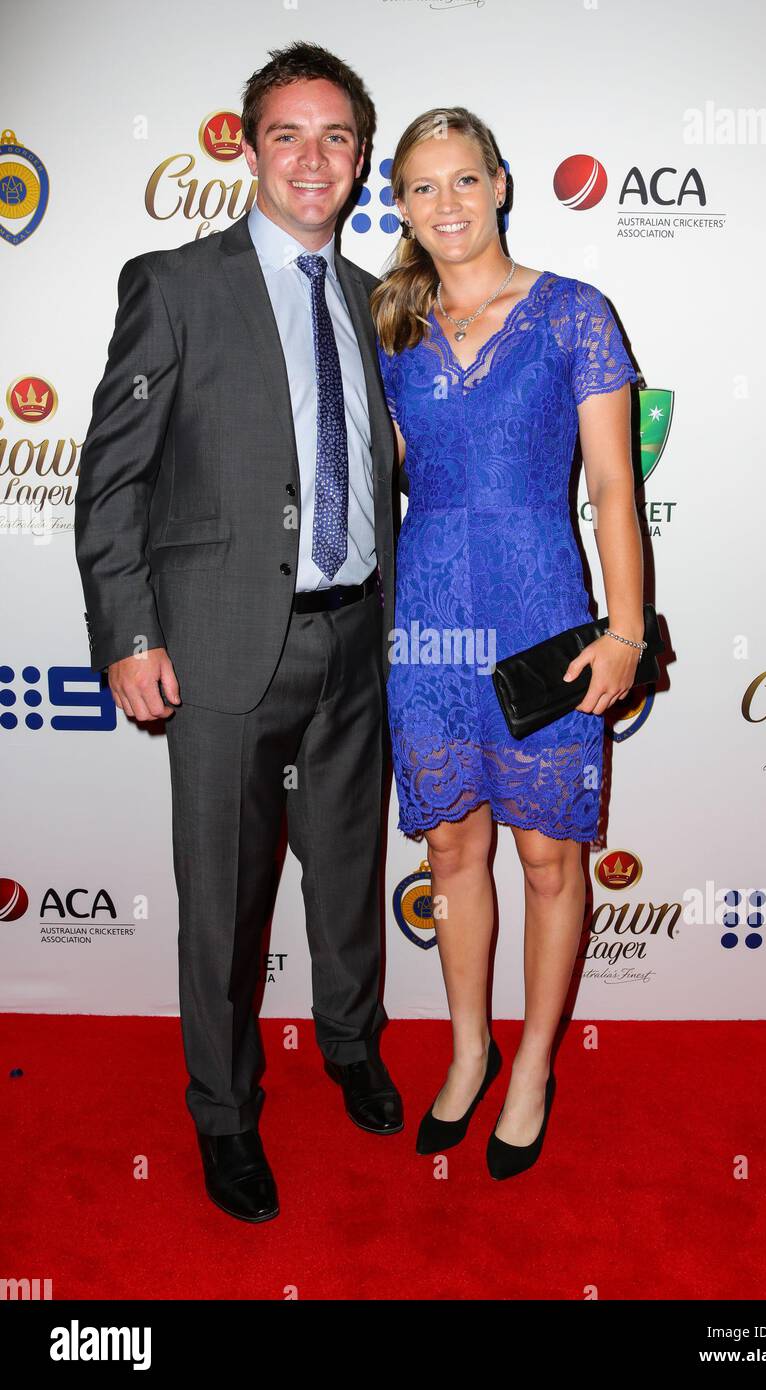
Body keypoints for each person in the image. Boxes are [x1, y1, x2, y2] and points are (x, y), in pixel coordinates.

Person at [73, 42, 406, 1224]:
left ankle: (353, 1044)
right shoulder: (172, 283)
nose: (311, 158)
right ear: (247, 144)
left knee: (350, 877)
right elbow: (111, 481)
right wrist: (126, 631)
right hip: (214, 645)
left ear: (359, 156)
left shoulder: (378, 298)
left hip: (355, 639)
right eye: (287, 134)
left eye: (335, 137)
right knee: (220, 899)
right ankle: (222, 1111)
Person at [371, 108, 644, 1180]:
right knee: (449, 849)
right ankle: (467, 1046)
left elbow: (616, 489)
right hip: (427, 620)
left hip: (539, 610)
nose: (446, 205)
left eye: (463, 181)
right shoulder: (391, 329)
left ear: (500, 184)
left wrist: (624, 629)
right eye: (421, 187)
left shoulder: (574, 314)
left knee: (545, 855)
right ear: (398, 203)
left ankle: (531, 1064)